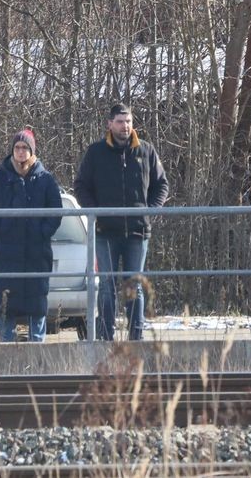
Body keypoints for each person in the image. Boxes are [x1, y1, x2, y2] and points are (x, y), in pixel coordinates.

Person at [73, 104, 170, 341]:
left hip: (137, 232)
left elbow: (161, 185)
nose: (125, 126)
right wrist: (95, 212)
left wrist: (150, 211)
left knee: (134, 285)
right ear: (109, 124)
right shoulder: (96, 152)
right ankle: (106, 337)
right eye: (119, 121)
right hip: (105, 231)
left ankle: (136, 338)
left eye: (128, 122)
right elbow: (81, 185)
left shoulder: (146, 150)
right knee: (106, 285)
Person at [0, 128, 63, 343]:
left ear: (32, 151)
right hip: (6, 253)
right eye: (17, 147)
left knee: (37, 305)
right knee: (6, 305)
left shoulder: (45, 179)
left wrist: (42, 232)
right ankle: (6, 352)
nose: (20, 151)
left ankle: (37, 351)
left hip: (37, 252)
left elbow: (56, 212)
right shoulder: (0, 177)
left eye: (24, 147)